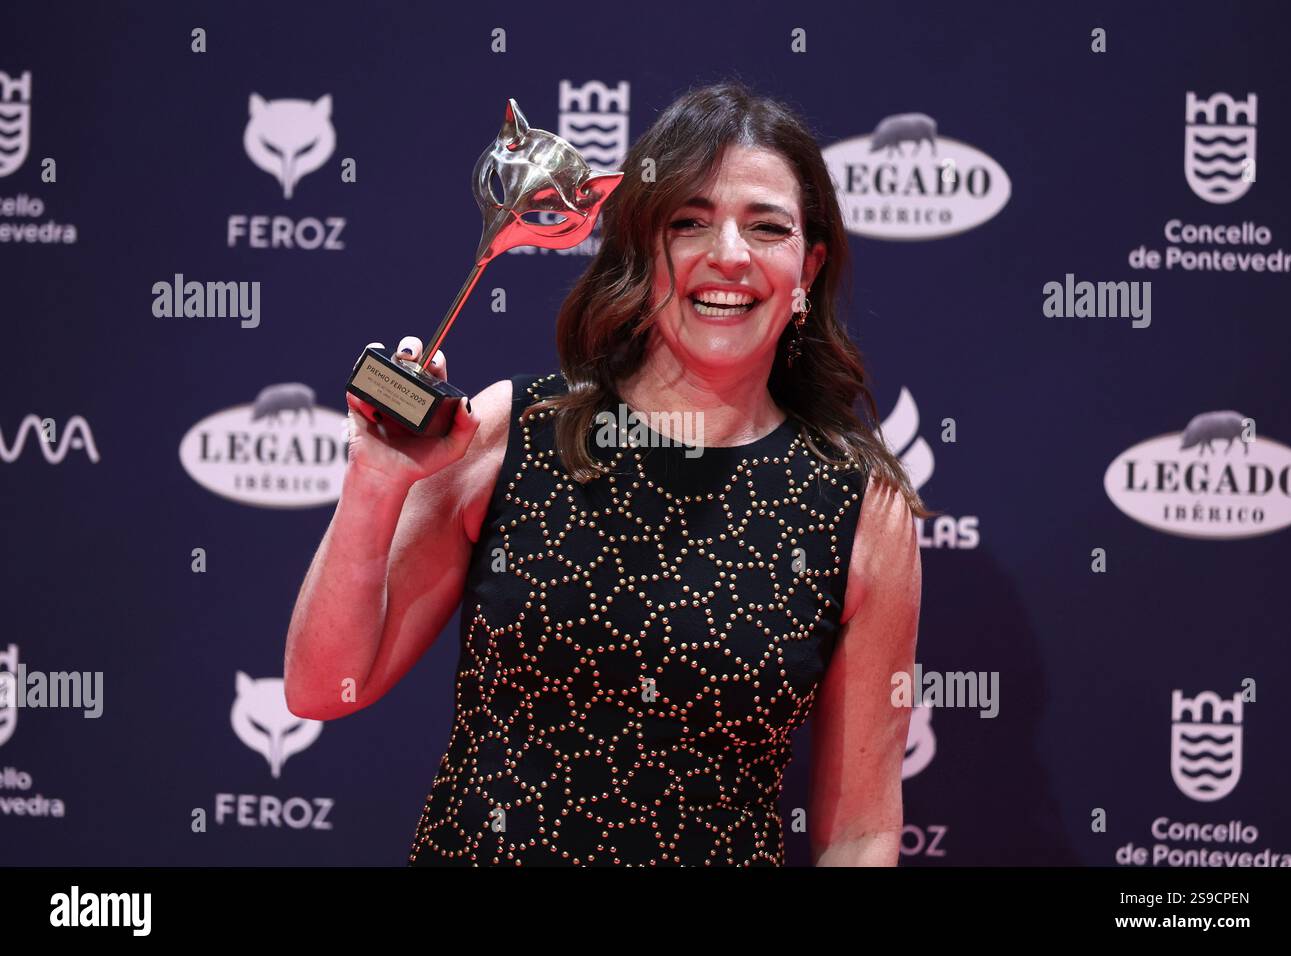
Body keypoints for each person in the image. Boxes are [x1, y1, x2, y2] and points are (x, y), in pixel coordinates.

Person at [284, 81, 931, 866]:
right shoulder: (509, 430)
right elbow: (322, 690)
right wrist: (375, 485)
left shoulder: (859, 506)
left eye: (767, 228)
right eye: (690, 222)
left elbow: (860, 832)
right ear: (639, 247)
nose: (729, 254)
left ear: (808, 268)